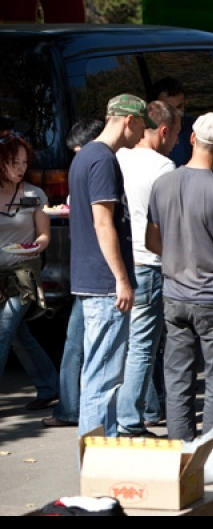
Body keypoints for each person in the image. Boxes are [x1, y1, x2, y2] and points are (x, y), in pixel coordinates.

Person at [146, 112, 213, 441]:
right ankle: (212, 458)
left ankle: (181, 456)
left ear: (191, 138)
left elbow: (150, 240)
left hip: (175, 297)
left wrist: (178, 255)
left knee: (177, 382)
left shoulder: (162, 183)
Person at [69, 94, 154, 437]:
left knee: (97, 374)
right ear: (128, 121)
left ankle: (102, 458)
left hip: (92, 279)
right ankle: (96, 466)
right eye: (142, 126)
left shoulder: (87, 155)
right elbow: (103, 223)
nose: (143, 135)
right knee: (102, 380)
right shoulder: (103, 159)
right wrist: (122, 278)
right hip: (105, 284)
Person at [115, 100, 181, 437]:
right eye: (176, 136)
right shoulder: (163, 168)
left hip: (121, 264)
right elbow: (168, 223)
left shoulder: (117, 157)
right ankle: (129, 420)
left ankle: (131, 413)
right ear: (164, 130)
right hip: (151, 265)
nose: (176, 144)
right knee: (143, 348)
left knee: (123, 345)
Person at [43, 118, 104, 428]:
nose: (77, 159)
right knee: (80, 342)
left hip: (98, 275)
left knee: (84, 344)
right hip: (93, 273)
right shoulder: (97, 167)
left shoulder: (101, 168)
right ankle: (71, 407)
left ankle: (76, 410)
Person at [0, 131, 59, 410]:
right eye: (14, 161)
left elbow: (44, 236)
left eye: (24, 162)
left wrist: (35, 246)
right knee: (19, 334)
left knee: (4, 329)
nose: (21, 167)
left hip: (24, 272)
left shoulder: (35, 195)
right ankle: (49, 386)